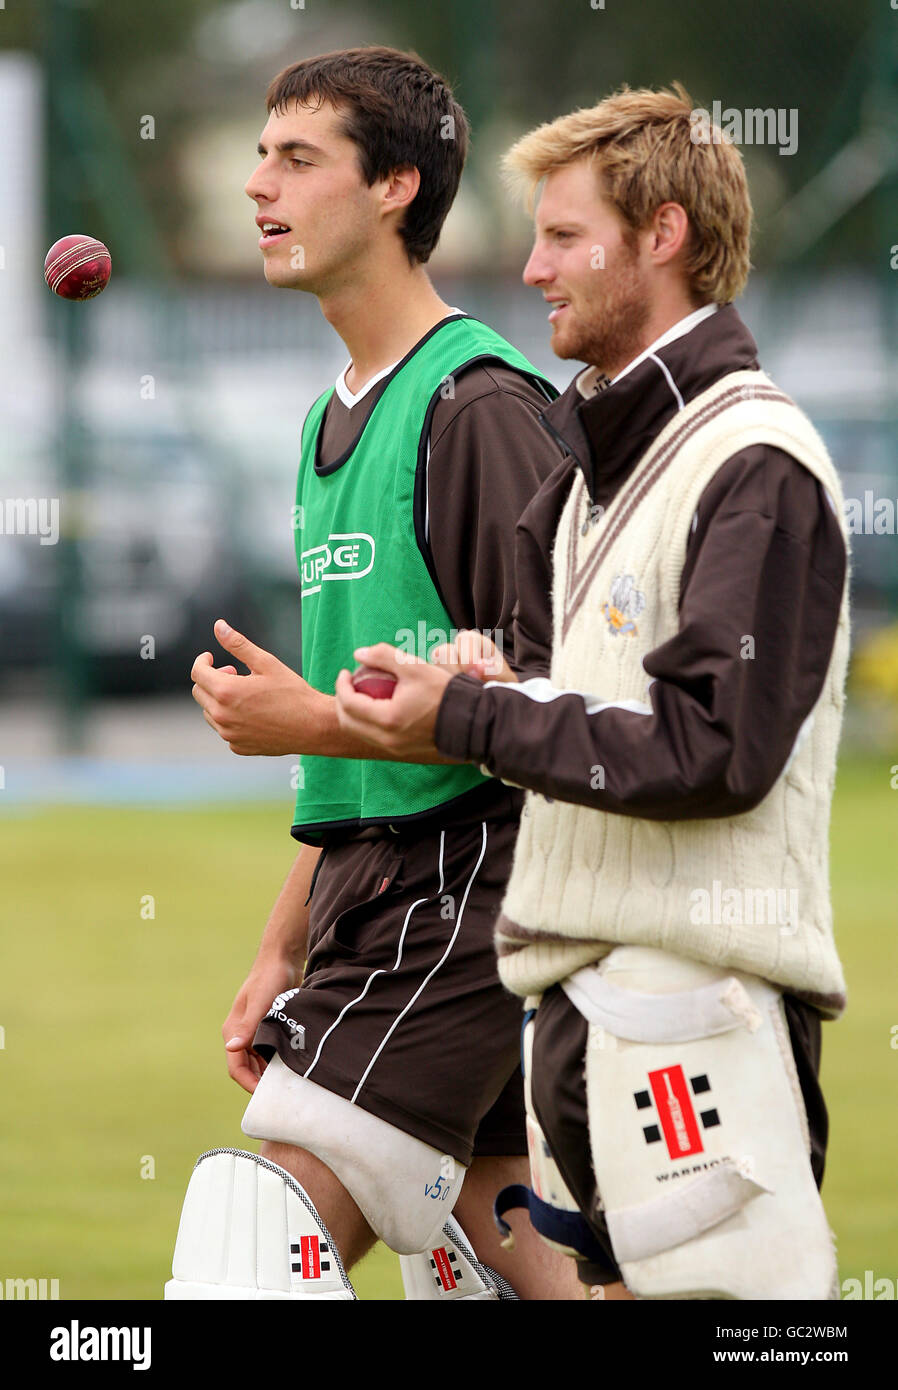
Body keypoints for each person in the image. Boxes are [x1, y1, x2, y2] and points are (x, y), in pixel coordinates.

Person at [332, 84, 850, 1301]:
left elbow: (710, 746)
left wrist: (464, 715)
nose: (532, 268)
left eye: (564, 237)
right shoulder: (580, 479)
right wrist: (484, 679)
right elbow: (572, 708)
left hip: (700, 1015)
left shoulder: (752, 456)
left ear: (661, 236)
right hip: (573, 1010)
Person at [167, 46, 583, 1301]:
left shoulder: (476, 407)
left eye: (297, 159)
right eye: (259, 155)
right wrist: (279, 945)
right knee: (504, 1266)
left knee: (251, 1240)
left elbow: (560, 712)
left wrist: (310, 716)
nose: (257, 186)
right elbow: (353, 749)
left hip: (471, 891)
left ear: (397, 185)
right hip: (381, 894)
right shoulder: (325, 417)